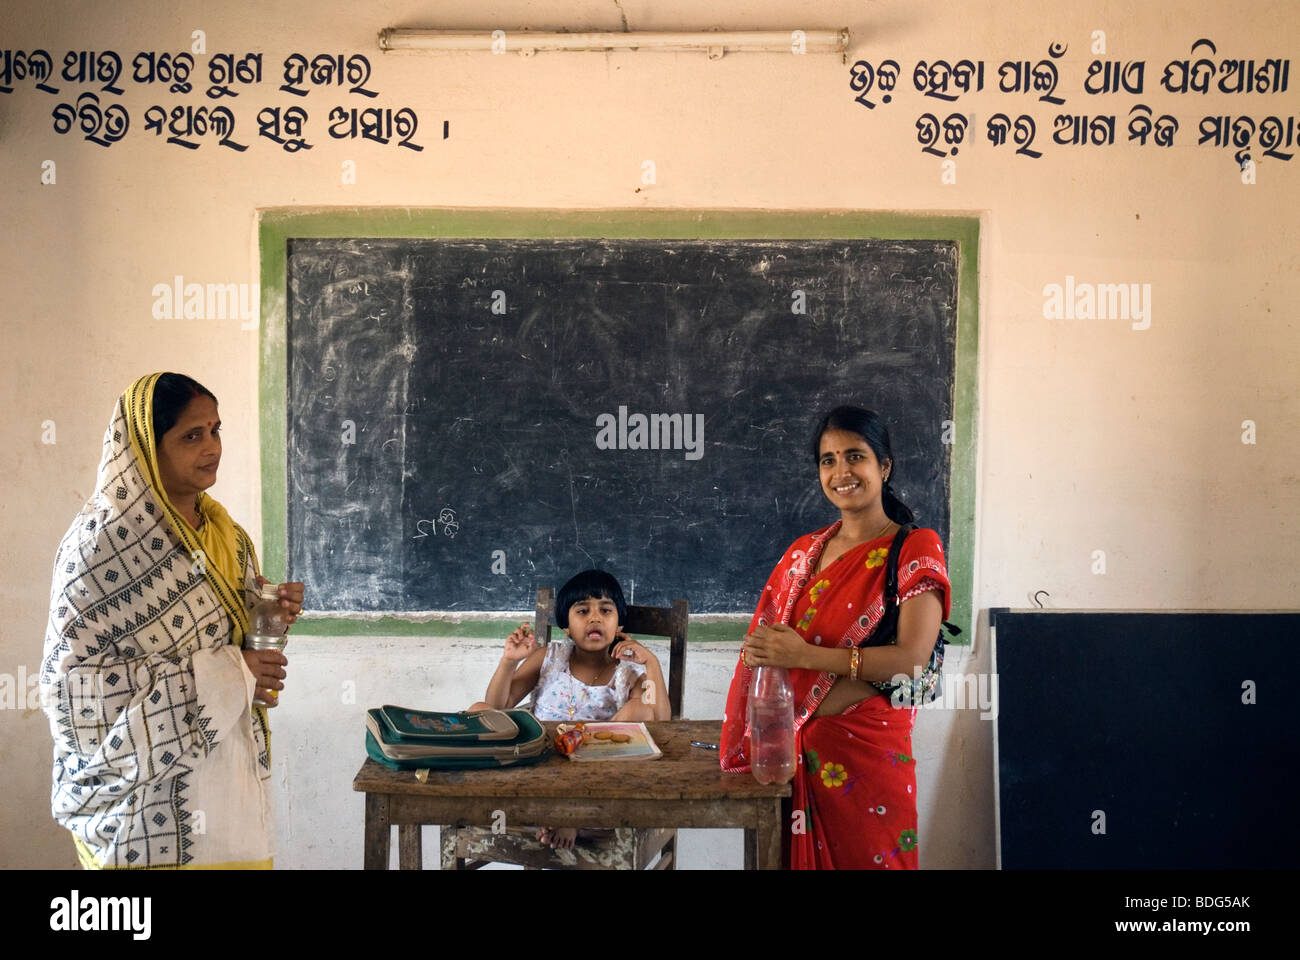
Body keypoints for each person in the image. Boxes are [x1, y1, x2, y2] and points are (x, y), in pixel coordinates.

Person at [40, 372, 305, 869]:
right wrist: (231, 672)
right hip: (145, 810)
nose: (212, 447)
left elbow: (232, 640)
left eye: (216, 430)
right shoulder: (102, 545)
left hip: (229, 794)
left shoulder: (227, 535)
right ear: (144, 447)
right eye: (191, 435)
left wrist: (269, 618)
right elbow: (71, 693)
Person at [720, 406, 951, 869]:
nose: (841, 472)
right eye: (828, 460)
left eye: (855, 456)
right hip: (791, 755)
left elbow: (910, 661)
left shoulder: (913, 546)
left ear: (883, 466)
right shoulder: (803, 553)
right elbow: (765, 647)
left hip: (865, 757)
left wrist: (806, 656)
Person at [470, 568, 669, 848]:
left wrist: (651, 664)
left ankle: (571, 814)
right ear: (566, 627)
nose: (595, 617)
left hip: (595, 778)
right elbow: (496, 705)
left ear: (619, 626)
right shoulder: (549, 657)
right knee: (477, 708)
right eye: (583, 611)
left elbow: (662, 721)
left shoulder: (628, 673)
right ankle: (546, 810)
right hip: (538, 764)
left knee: (641, 711)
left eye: (605, 610)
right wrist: (508, 662)